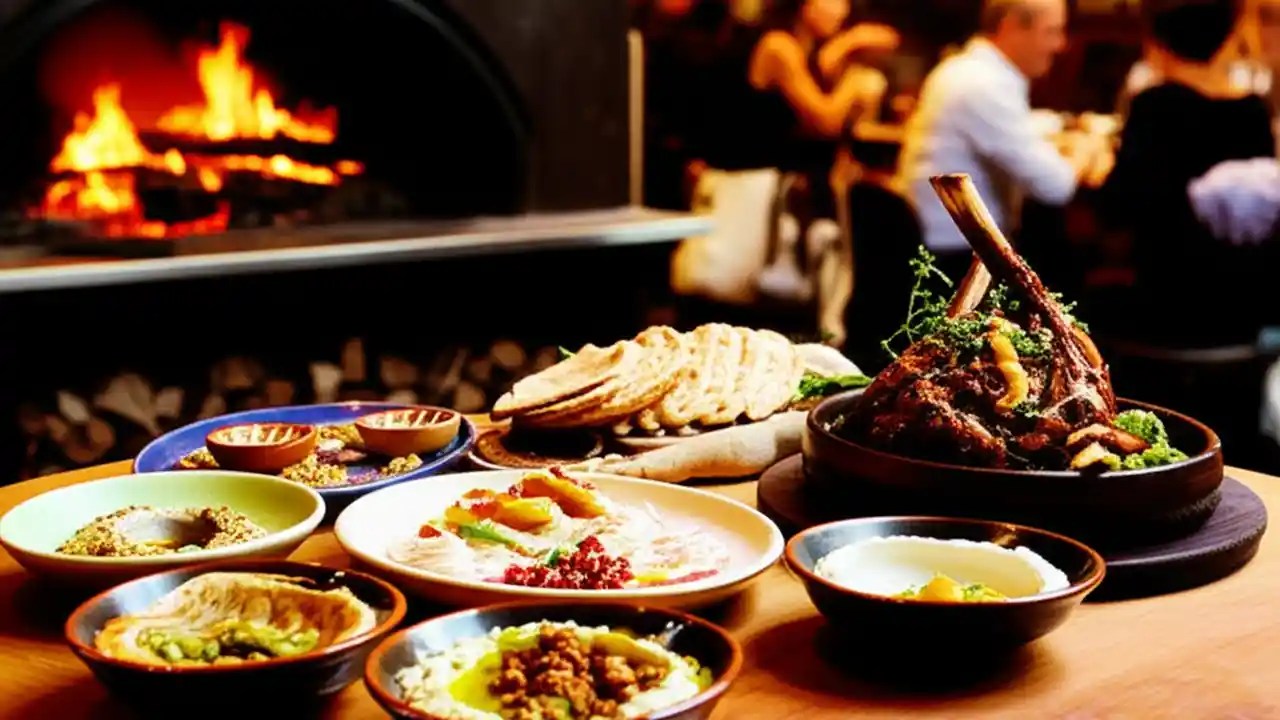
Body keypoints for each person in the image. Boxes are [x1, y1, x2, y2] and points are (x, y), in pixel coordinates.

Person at [1100, 0, 1277, 347]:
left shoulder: (1154, 106)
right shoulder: (1253, 110)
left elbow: (1115, 207)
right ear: (1227, 34)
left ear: (1158, 38)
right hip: (1244, 308)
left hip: (1166, 307)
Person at [894, 0, 1110, 279]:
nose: (1060, 45)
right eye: (1052, 32)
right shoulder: (983, 85)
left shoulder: (968, 70)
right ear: (1011, 27)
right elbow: (1056, 187)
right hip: (955, 261)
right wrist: (1085, 147)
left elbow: (1023, 127)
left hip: (952, 245)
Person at [743, 0, 900, 206]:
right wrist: (854, 79)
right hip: (760, 188)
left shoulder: (814, 52)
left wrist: (847, 44)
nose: (842, 11)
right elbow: (825, 122)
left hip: (798, 187)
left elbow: (887, 38)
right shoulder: (778, 45)